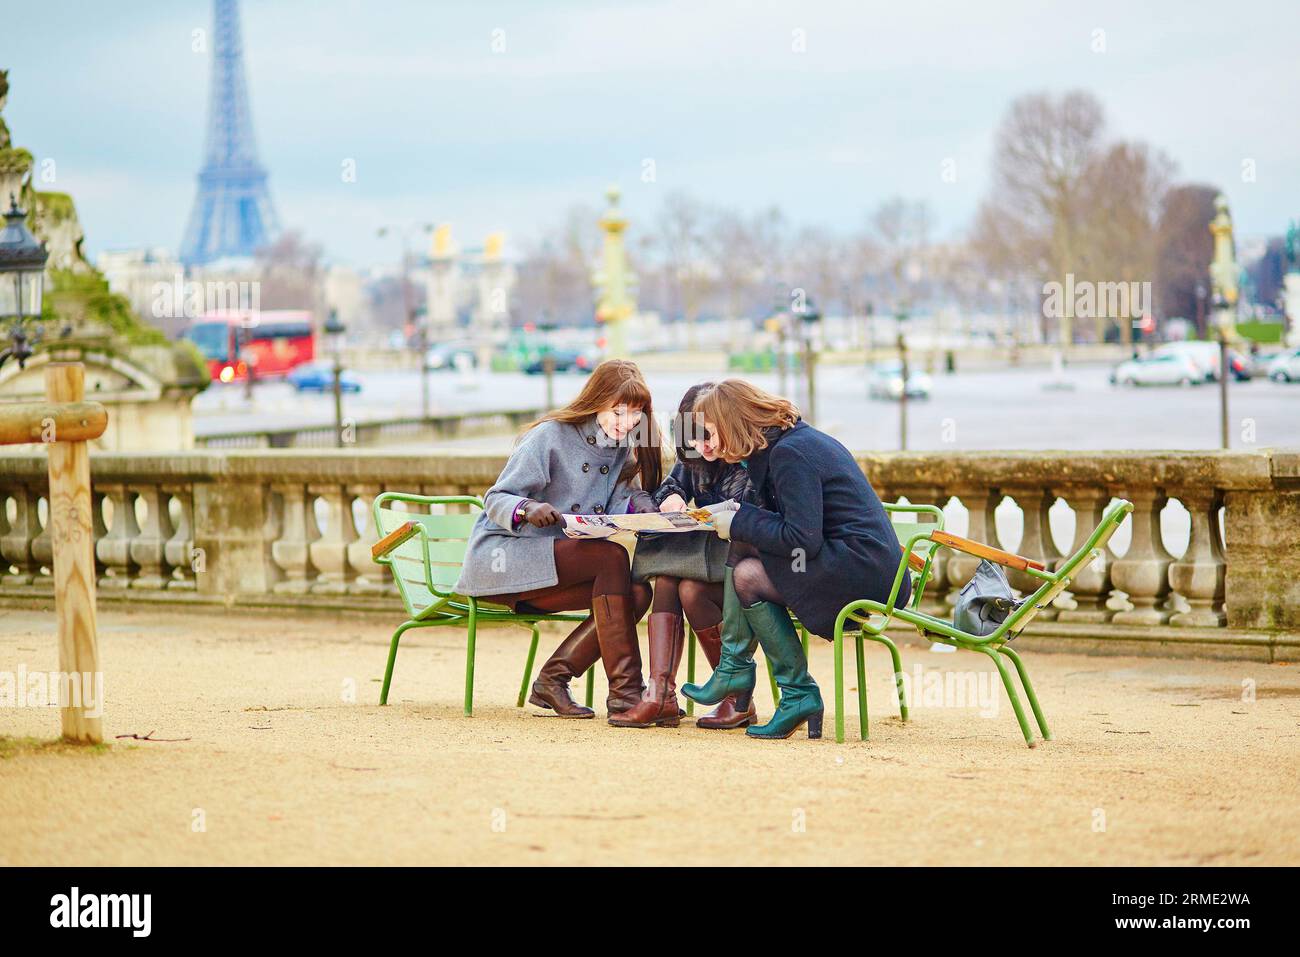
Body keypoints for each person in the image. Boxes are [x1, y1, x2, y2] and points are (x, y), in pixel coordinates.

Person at [681, 379, 908, 740]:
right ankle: (751, 675)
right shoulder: (789, 443)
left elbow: (802, 538)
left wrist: (739, 519)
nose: (699, 443)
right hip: (854, 561)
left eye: (707, 432)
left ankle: (770, 683)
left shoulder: (790, 455)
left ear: (731, 423)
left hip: (861, 573)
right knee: (744, 562)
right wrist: (741, 520)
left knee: (747, 574)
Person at [453, 359, 662, 719]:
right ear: (597, 399)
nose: (626, 422)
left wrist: (649, 507)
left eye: (635, 414)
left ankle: (553, 679)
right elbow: (496, 497)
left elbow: (618, 505)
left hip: (553, 572)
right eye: (619, 411)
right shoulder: (550, 435)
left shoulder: (620, 449)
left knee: (639, 593)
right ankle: (626, 694)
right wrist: (527, 508)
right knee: (610, 557)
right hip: (506, 559)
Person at [609, 383, 760, 730]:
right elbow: (670, 484)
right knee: (678, 583)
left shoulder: (746, 458)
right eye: (692, 439)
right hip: (710, 563)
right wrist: (672, 497)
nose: (700, 447)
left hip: (745, 564)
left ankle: (730, 698)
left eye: (706, 437)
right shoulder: (695, 454)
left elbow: (754, 517)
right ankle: (661, 693)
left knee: (675, 575)